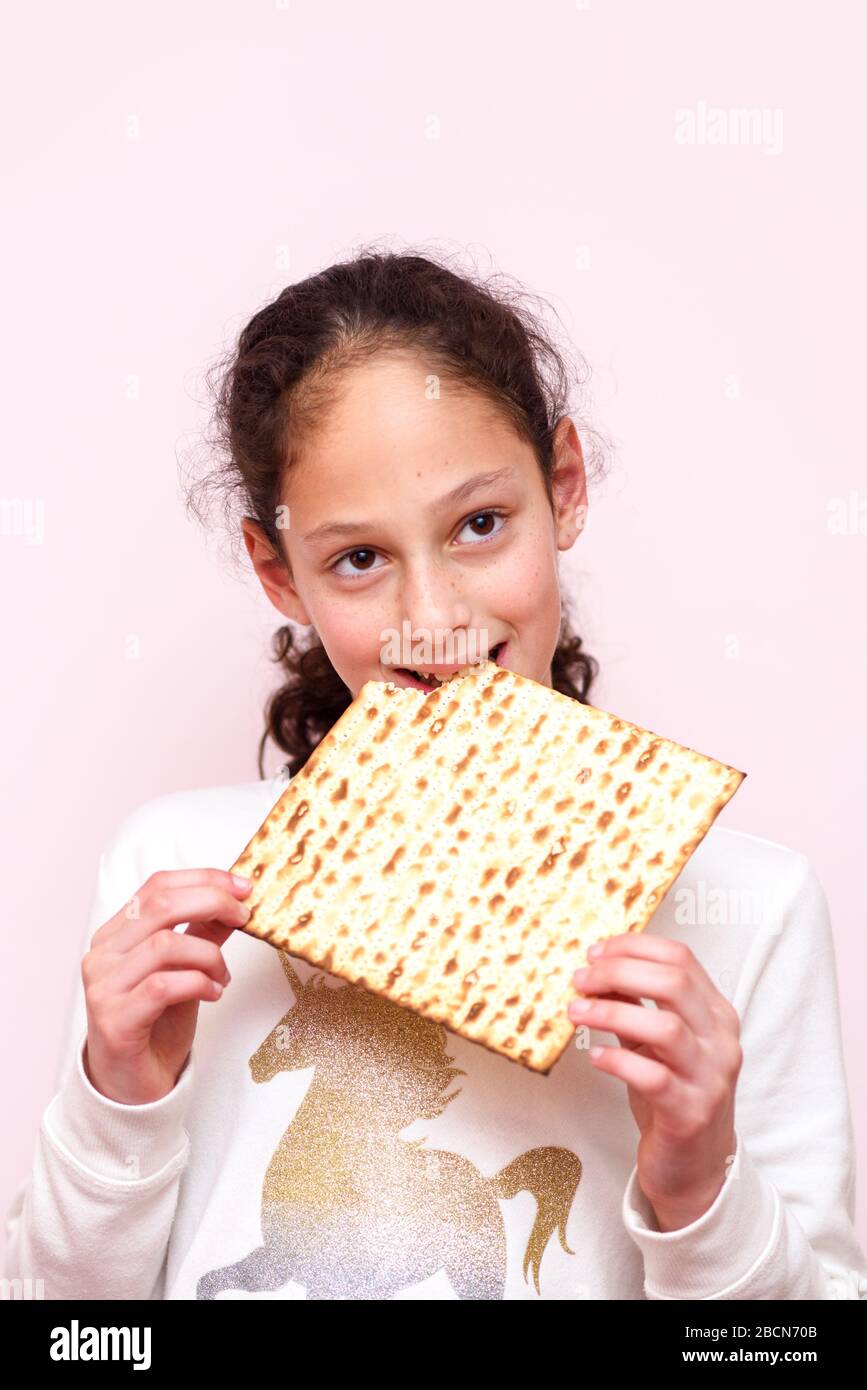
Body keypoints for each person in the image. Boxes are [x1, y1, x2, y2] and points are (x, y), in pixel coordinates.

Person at [5, 248, 866, 1300]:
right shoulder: (176, 874)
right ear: (279, 570)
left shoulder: (750, 907)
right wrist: (119, 1093)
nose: (437, 618)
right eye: (358, 558)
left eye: (480, 524)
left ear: (564, 485)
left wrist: (699, 1182)